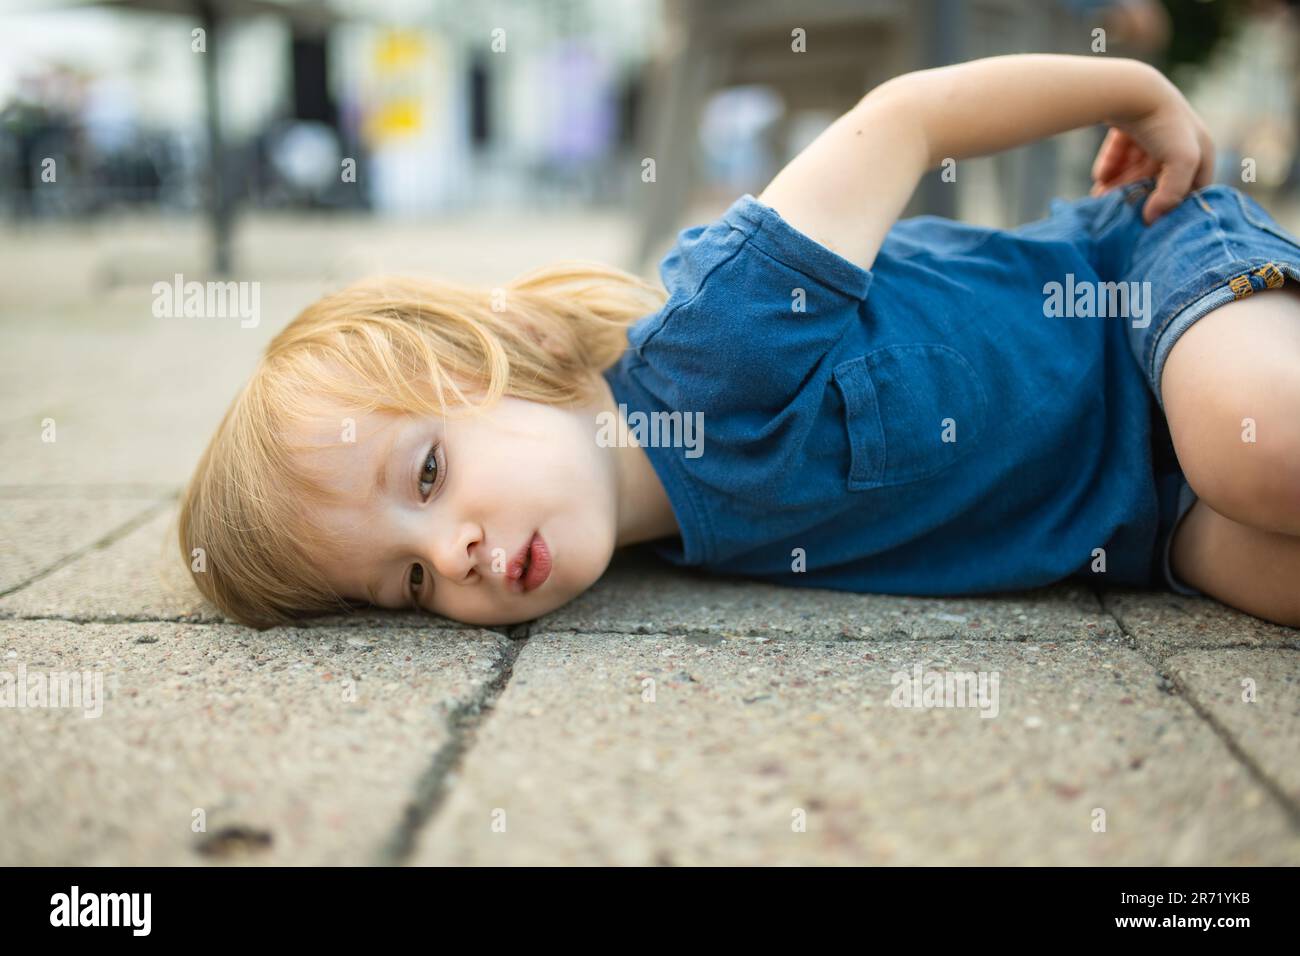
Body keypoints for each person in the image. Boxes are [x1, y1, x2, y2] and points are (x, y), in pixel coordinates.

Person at [179, 53, 1300, 630]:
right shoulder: (677, 544)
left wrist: (1134, 91)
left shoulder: (715, 329)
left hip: (1141, 295)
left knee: (1252, 449)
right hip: (1145, 525)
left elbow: (903, 117)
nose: (457, 553)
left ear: (502, 355)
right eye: (411, 584)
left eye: (428, 473)